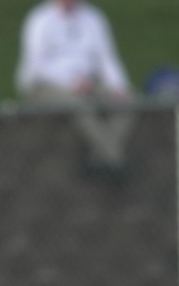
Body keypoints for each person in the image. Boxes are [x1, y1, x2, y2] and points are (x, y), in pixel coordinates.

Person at [16, 0, 135, 174]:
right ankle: (114, 159)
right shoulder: (40, 20)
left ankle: (101, 156)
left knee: (129, 101)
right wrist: (71, 82)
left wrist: (118, 87)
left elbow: (106, 57)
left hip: (88, 81)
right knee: (78, 104)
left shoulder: (93, 18)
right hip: (44, 84)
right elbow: (37, 65)